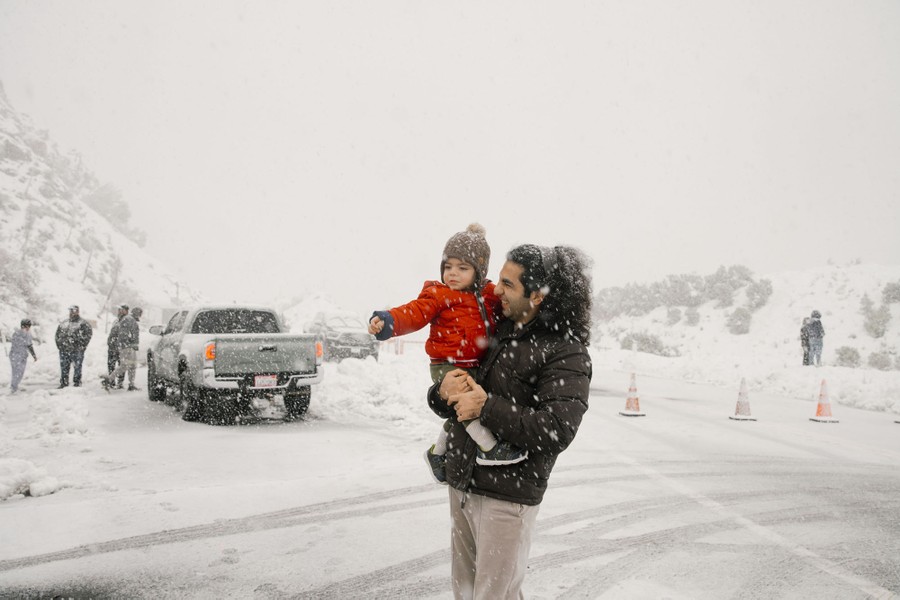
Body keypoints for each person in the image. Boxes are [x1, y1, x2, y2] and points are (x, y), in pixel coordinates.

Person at [427, 243, 593, 599]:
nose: (495, 289)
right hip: (464, 480)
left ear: (537, 295)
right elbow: (458, 401)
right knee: (467, 592)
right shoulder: (497, 329)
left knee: (494, 596)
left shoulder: (566, 351)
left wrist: (487, 408)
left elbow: (557, 429)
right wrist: (441, 392)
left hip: (507, 495)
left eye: (507, 283)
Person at [367, 224, 526, 483]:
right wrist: (388, 321)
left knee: (456, 413)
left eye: (462, 268)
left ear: (479, 271)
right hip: (447, 364)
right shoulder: (439, 294)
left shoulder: (487, 295)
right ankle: (489, 447)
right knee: (466, 408)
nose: (453, 274)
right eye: (448, 266)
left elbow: (511, 302)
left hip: (474, 363)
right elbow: (414, 312)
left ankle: (437, 453)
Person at [102, 306, 141, 391]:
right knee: (124, 365)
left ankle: (131, 384)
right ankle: (109, 379)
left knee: (132, 365)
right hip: (127, 347)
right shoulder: (129, 319)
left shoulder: (130, 319)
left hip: (129, 346)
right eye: (140, 314)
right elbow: (124, 334)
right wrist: (129, 343)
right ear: (137, 313)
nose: (140, 316)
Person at [55, 305, 93, 388]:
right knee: (64, 367)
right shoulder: (64, 323)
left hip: (77, 350)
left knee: (77, 367)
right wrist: (59, 345)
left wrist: (82, 345)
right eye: (70, 311)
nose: (71, 313)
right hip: (64, 350)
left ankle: (77, 383)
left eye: (73, 311)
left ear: (77, 311)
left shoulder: (83, 323)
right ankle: (64, 383)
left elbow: (88, 335)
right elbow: (57, 335)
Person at [9, 319, 38, 393]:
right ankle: (14, 388)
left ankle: (14, 386)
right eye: (28, 326)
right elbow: (28, 345)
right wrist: (33, 355)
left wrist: (33, 355)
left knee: (17, 372)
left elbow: (28, 345)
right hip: (18, 355)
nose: (28, 328)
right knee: (18, 372)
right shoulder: (23, 334)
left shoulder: (19, 333)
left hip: (17, 355)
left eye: (29, 326)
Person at [107, 305, 127, 389]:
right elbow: (112, 333)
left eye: (122, 310)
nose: (119, 312)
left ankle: (120, 382)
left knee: (121, 365)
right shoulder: (116, 321)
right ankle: (111, 381)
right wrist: (109, 342)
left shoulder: (128, 321)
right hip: (112, 346)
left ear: (126, 311)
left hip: (122, 347)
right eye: (119, 310)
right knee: (111, 364)